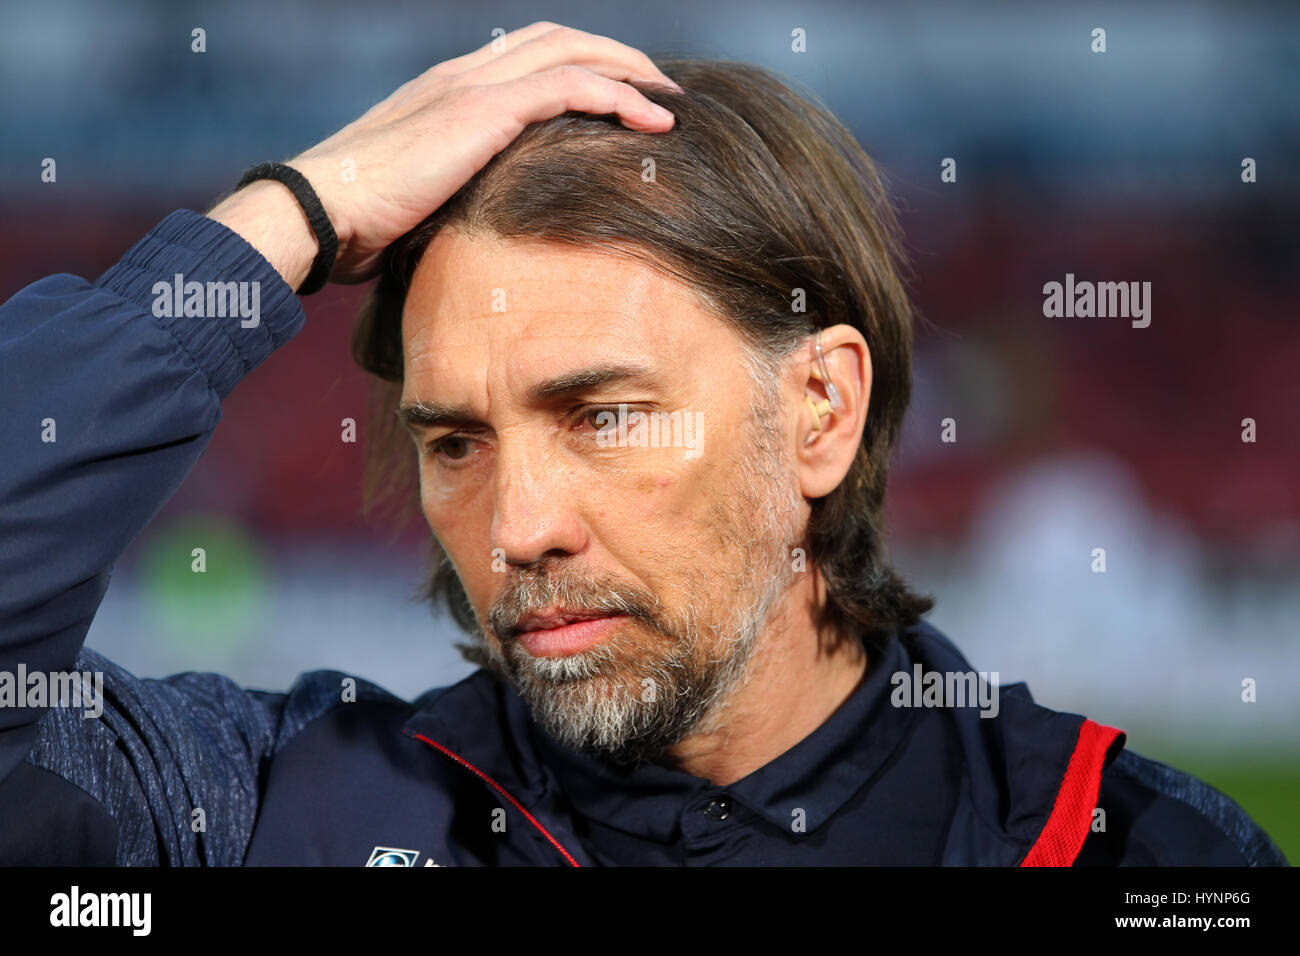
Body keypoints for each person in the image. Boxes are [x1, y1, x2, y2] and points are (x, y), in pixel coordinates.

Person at [0, 22, 1285, 866]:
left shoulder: (1141, 856)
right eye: (456, 441)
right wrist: (291, 210)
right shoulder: (267, 807)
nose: (518, 526)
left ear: (822, 412)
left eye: (602, 415)